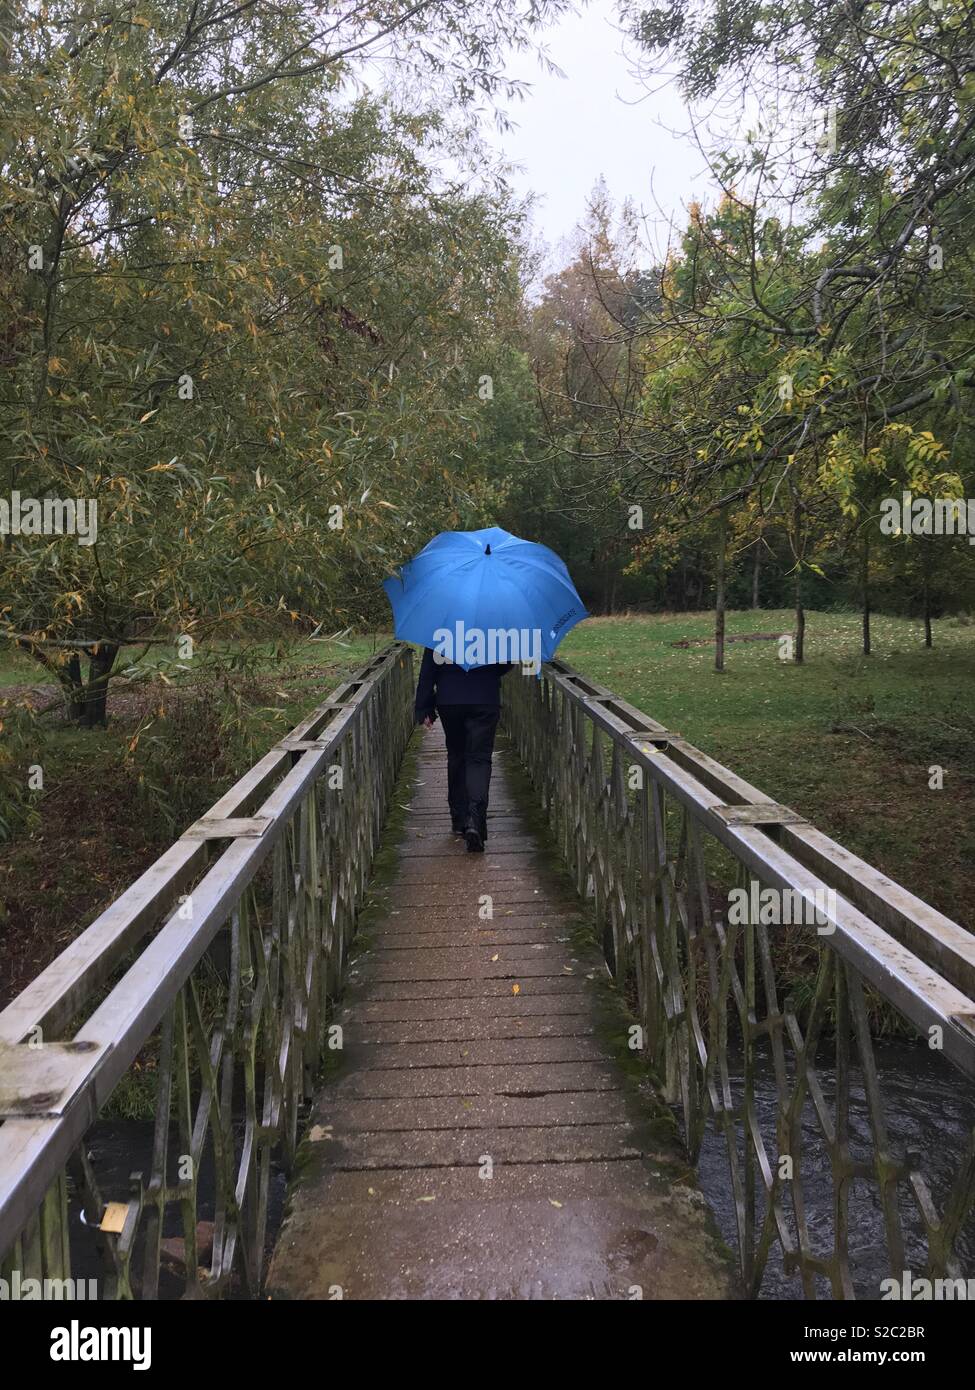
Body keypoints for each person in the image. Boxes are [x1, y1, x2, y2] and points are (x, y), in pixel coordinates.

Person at [414, 647, 513, 852]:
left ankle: (459, 818)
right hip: (485, 696)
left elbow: (428, 668)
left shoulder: (440, 625)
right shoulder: (496, 626)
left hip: (450, 698)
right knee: (479, 759)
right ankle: (475, 819)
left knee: (457, 754)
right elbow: (507, 662)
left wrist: (424, 707)